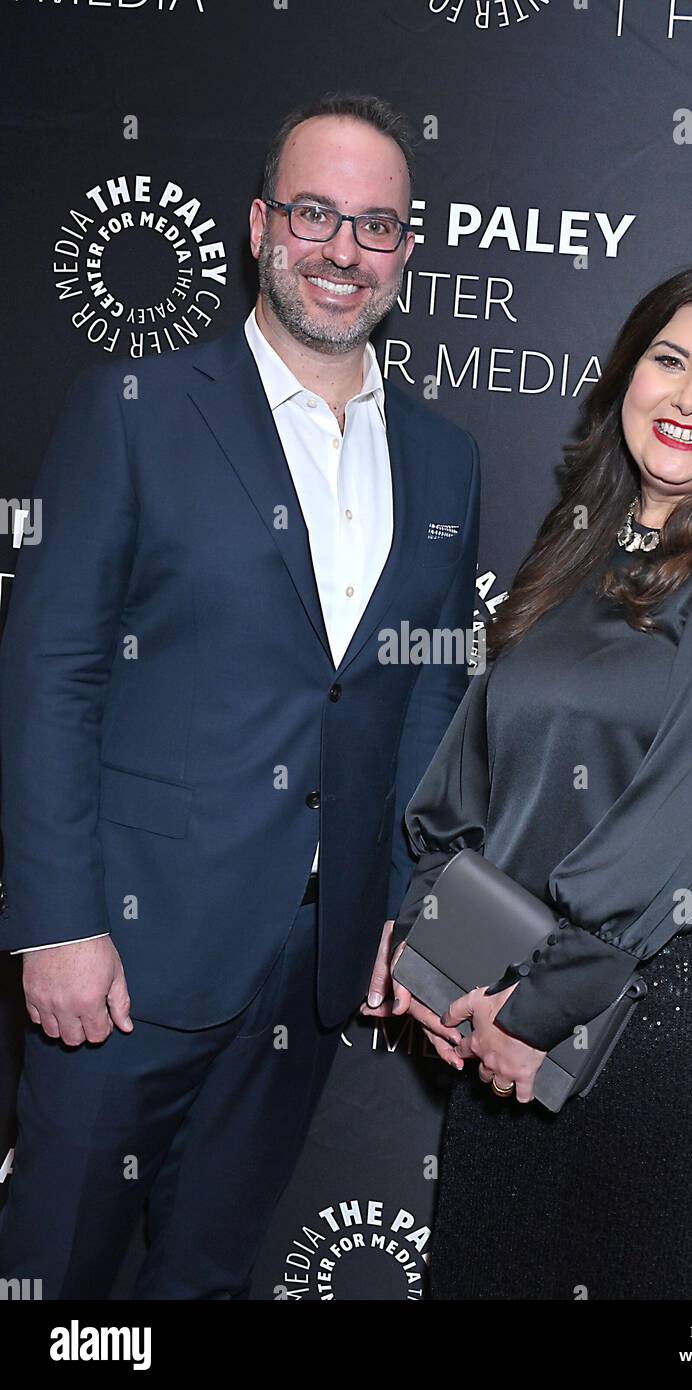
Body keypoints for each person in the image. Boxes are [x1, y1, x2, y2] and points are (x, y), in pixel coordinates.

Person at [0, 93, 480, 1299]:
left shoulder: (444, 458)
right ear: (260, 223)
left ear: (407, 251)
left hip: (307, 971)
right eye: (316, 212)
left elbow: (418, 695)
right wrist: (56, 918)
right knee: (53, 1275)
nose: (342, 249)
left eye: (377, 225)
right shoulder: (139, 411)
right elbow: (49, 670)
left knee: (207, 1279)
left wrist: (398, 903)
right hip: (126, 954)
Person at [381, 262, 692, 1300]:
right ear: (627, 374)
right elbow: (470, 770)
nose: (688, 398)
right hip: (508, 990)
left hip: (673, 1015)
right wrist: (436, 941)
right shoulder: (576, 545)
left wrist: (543, 998)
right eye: (670, 360)